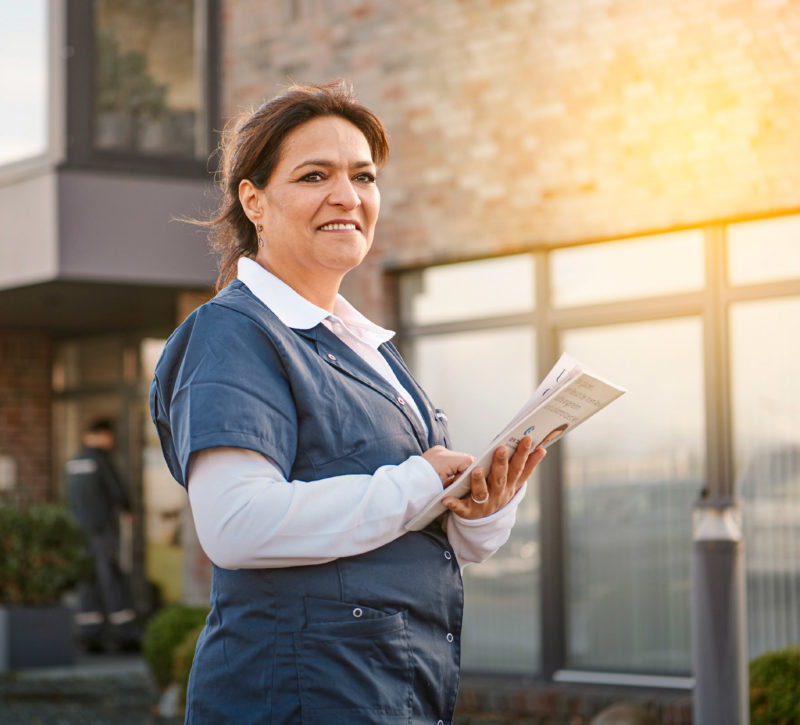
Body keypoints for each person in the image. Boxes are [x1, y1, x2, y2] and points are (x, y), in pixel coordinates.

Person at [149, 80, 547, 725]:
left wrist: (478, 510)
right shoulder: (233, 335)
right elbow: (237, 524)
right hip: (298, 700)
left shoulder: (369, 349)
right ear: (253, 200)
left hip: (391, 693)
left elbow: (425, 536)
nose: (347, 196)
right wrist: (421, 480)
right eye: (314, 176)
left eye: (363, 176)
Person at [65, 419, 138, 652]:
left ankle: (89, 634)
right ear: (101, 435)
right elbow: (117, 490)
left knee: (88, 582)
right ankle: (124, 635)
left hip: (79, 532)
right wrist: (128, 509)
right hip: (102, 531)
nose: (112, 441)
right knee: (112, 580)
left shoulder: (73, 461)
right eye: (110, 436)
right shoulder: (101, 460)